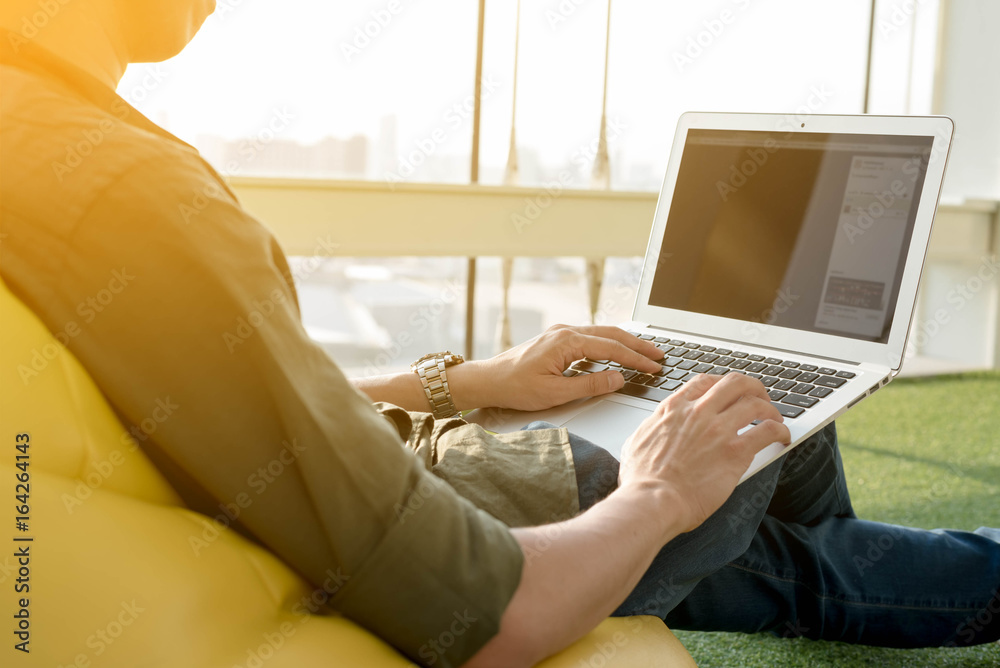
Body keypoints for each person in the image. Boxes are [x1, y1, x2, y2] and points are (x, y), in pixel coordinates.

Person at [1, 1, 997, 666]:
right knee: (765, 464)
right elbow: (488, 615)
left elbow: (238, 416)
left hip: (452, 462)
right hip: (510, 507)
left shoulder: (35, 135)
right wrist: (656, 494)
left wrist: (469, 380)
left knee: (769, 437)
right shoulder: (129, 198)